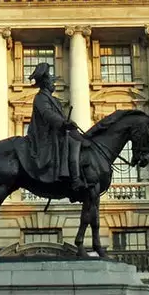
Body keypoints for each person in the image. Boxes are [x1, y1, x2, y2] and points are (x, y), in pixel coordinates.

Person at [22, 62, 89, 196]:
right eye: (51, 81)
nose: (54, 83)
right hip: (46, 135)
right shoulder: (40, 98)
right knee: (73, 144)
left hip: (56, 132)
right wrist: (63, 123)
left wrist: (71, 125)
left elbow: (61, 116)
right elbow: (48, 114)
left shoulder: (54, 100)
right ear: (45, 83)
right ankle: (75, 180)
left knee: (80, 140)